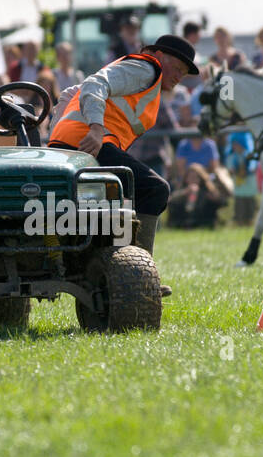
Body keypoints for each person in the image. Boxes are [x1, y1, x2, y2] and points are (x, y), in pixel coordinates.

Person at [47, 34, 198, 288]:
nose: (178, 76)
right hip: (90, 143)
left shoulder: (136, 71)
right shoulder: (148, 68)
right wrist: (95, 129)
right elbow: (94, 84)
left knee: (120, 199)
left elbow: (70, 93)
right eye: (178, 68)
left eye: (184, 74)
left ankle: (116, 264)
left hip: (70, 146)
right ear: (159, 56)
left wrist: (56, 139)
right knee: (155, 189)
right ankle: (138, 275)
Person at [167, 163, 232, 230]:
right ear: (186, 178)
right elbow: (169, 201)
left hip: (204, 222)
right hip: (182, 223)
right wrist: (185, 193)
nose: (193, 179)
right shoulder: (182, 189)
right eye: (190, 177)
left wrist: (210, 197)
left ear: (201, 178)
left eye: (195, 177)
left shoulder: (208, 190)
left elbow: (223, 202)